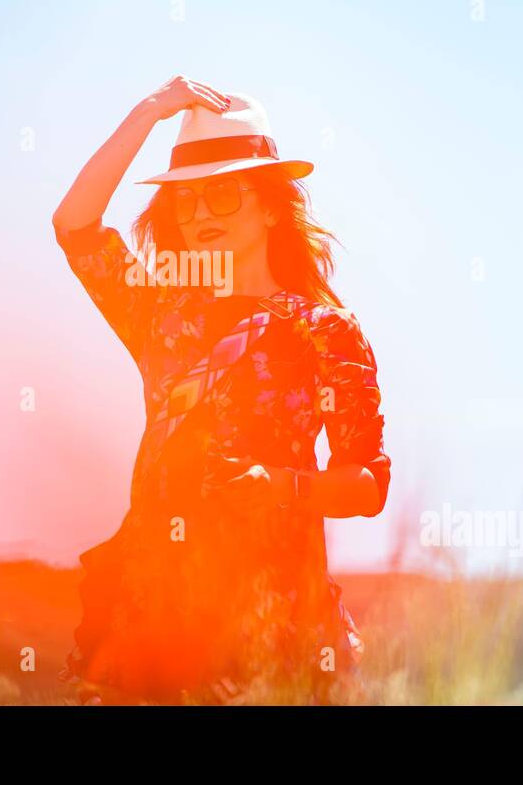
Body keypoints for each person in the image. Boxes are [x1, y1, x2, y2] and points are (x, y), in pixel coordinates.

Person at [51, 75, 390, 704]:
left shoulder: (325, 331)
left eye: (224, 196)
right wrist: (148, 112)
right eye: (188, 201)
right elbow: (75, 224)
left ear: (268, 206)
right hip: (154, 621)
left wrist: (281, 485)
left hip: (277, 617)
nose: (202, 214)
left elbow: (367, 484)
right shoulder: (161, 314)